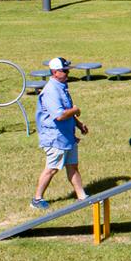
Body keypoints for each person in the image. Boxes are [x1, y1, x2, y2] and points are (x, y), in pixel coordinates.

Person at [32, 57, 89, 209]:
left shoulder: (62, 86)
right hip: (55, 138)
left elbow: (67, 111)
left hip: (67, 136)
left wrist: (78, 124)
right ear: (55, 72)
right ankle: (37, 199)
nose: (67, 73)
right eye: (64, 71)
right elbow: (60, 115)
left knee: (73, 166)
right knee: (51, 169)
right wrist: (76, 111)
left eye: (67, 70)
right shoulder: (51, 91)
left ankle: (82, 197)